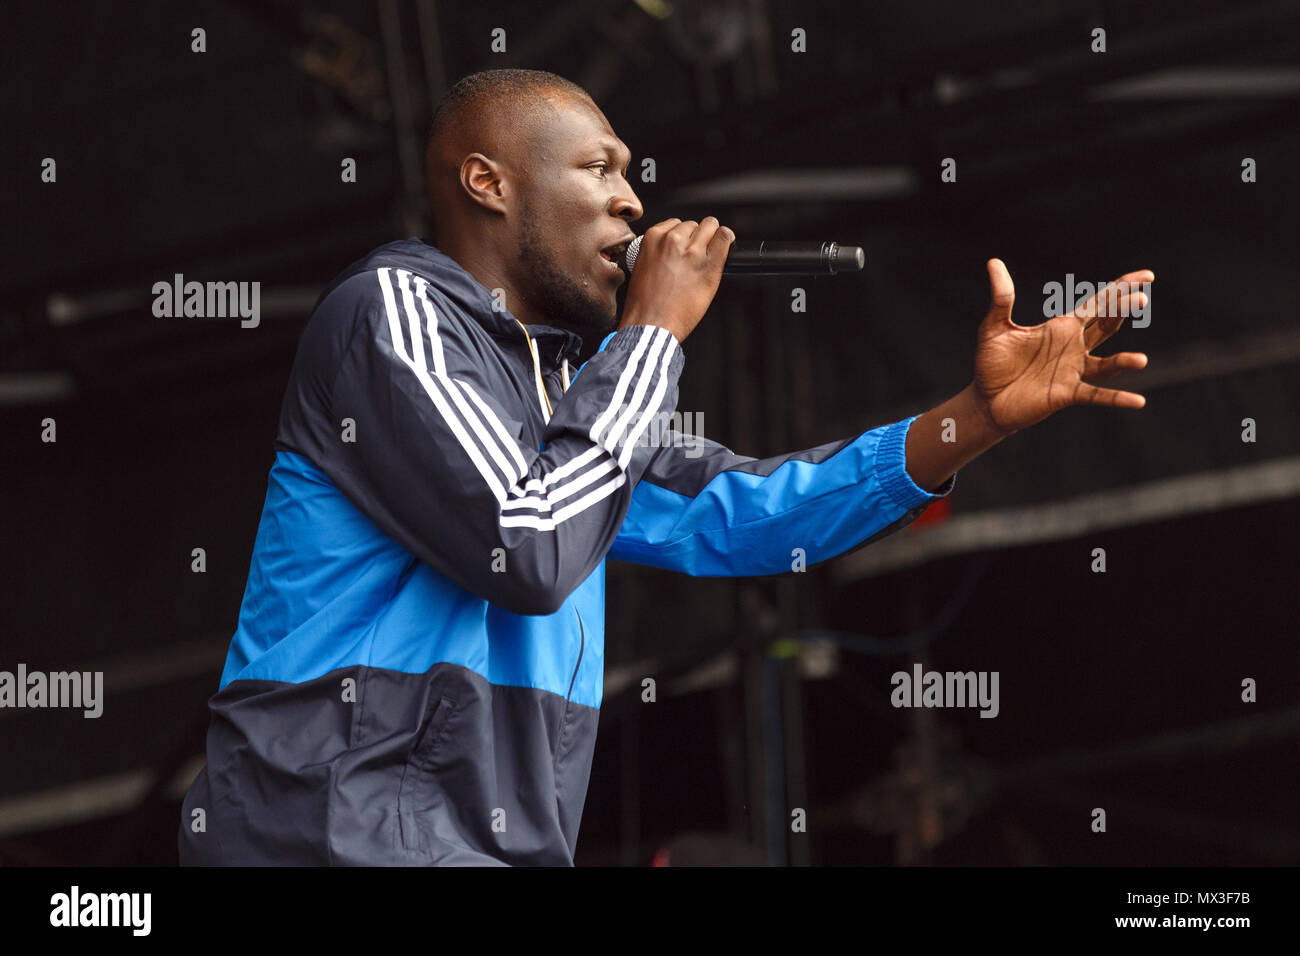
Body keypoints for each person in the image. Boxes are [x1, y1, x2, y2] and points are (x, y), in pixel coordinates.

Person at [178, 68, 1152, 866]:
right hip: (322, 840)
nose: (633, 198)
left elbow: (756, 514)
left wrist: (973, 418)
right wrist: (650, 332)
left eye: (632, 175)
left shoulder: (575, 398)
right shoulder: (393, 311)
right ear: (488, 182)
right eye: (598, 167)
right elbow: (527, 545)